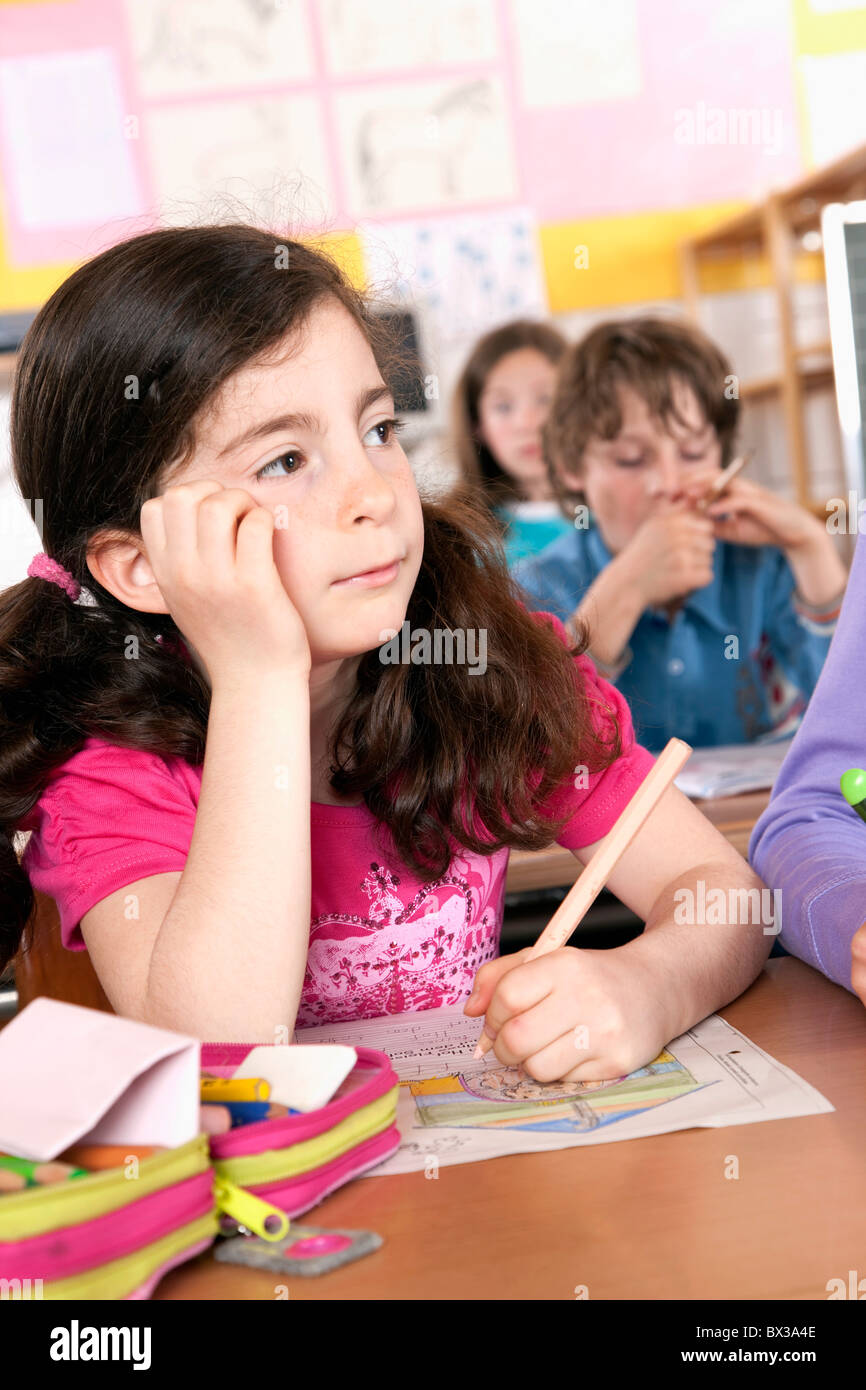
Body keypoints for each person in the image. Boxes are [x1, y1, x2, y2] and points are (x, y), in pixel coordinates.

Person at [0, 227, 772, 1080]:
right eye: (286, 459)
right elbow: (221, 1050)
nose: (374, 493)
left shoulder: (487, 670)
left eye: (377, 428)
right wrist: (263, 677)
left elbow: (724, 894)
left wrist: (647, 983)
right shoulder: (112, 761)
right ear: (144, 566)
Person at [511, 316, 847, 752]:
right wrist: (626, 588)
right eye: (631, 459)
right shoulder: (533, 590)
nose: (668, 483)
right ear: (572, 468)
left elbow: (851, 717)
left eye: (693, 452)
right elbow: (536, 756)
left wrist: (812, 549)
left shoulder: (764, 566)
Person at [450, 320, 574, 565]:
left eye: (546, 399)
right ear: (478, 426)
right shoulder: (462, 536)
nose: (527, 424)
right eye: (503, 406)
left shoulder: (613, 514)